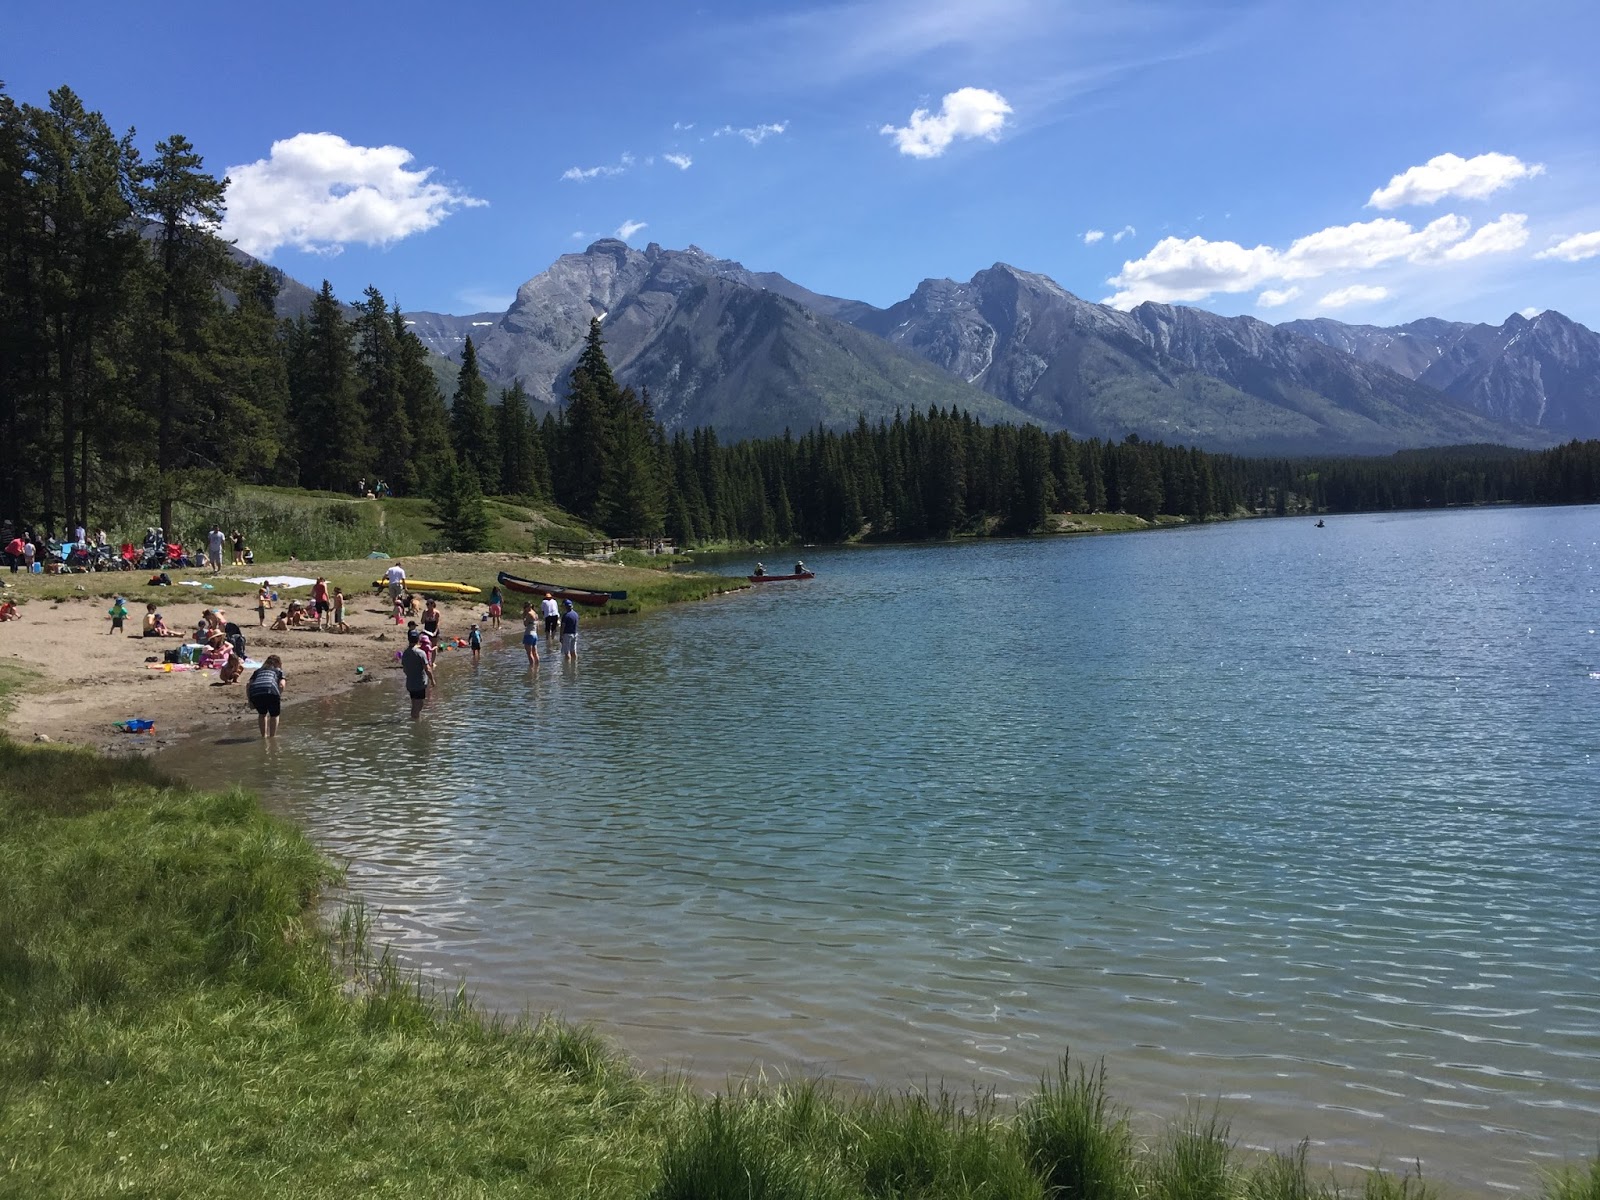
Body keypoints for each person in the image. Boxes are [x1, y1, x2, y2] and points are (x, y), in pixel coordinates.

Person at [246, 654, 285, 738]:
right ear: (278, 663)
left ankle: (263, 736)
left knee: (262, 713)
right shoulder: (278, 671)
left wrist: (250, 700)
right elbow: (281, 685)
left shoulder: (257, 671)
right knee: (274, 715)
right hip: (271, 690)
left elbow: (248, 685)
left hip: (256, 691)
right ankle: (272, 737)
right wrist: (278, 696)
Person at [560, 599, 579, 663]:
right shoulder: (576, 614)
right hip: (575, 633)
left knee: (567, 652)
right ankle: (575, 664)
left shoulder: (565, 615)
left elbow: (563, 626)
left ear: (565, 606)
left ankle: (567, 666)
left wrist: (561, 636)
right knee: (573, 651)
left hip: (567, 634)